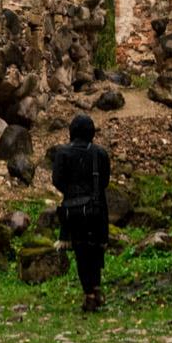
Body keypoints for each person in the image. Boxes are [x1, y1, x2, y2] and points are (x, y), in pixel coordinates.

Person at [49, 112, 112, 312]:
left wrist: (72, 192)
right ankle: (95, 288)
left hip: (73, 209)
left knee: (81, 250)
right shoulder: (100, 154)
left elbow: (57, 180)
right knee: (96, 248)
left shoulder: (62, 153)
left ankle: (89, 294)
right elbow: (105, 182)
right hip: (96, 207)